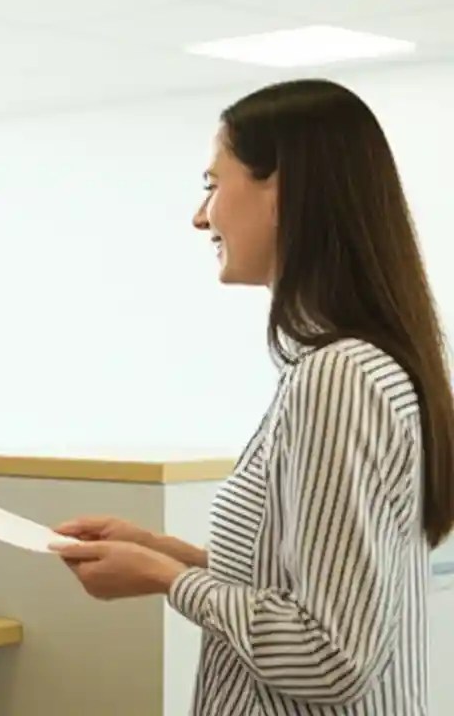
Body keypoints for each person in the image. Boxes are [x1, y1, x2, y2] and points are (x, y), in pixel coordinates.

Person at [50, 79, 453, 714]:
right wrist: (170, 553)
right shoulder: (341, 366)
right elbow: (305, 583)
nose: (200, 215)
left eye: (213, 182)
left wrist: (167, 579)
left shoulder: (340, 378)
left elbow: (331, 653)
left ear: (283, 189)